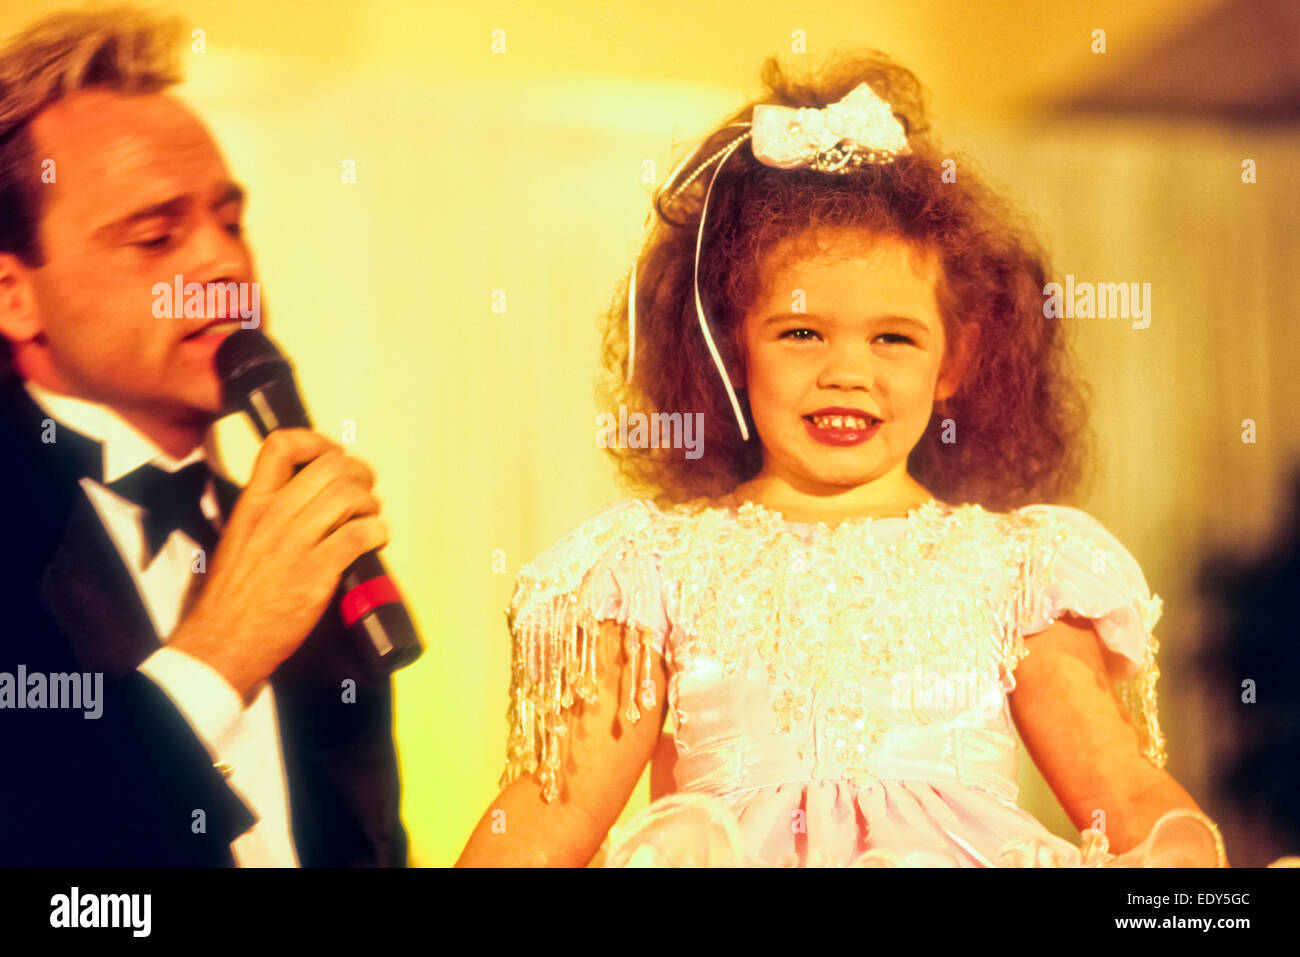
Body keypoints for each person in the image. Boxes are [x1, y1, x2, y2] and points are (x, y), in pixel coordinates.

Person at [457, 52, 1229, 867]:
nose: (847, 372)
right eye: (801, 333)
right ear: (728, 347)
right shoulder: (654, 569)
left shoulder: (1017, 573)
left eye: (893, 337)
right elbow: (556, 807)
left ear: (956, 359)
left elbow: (1132, 799)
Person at [0, 9, 405, 866]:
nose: (224, 265)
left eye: (230, 220)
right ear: (14, 296)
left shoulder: (295, 534)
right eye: (156, 235)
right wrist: (220, 653)